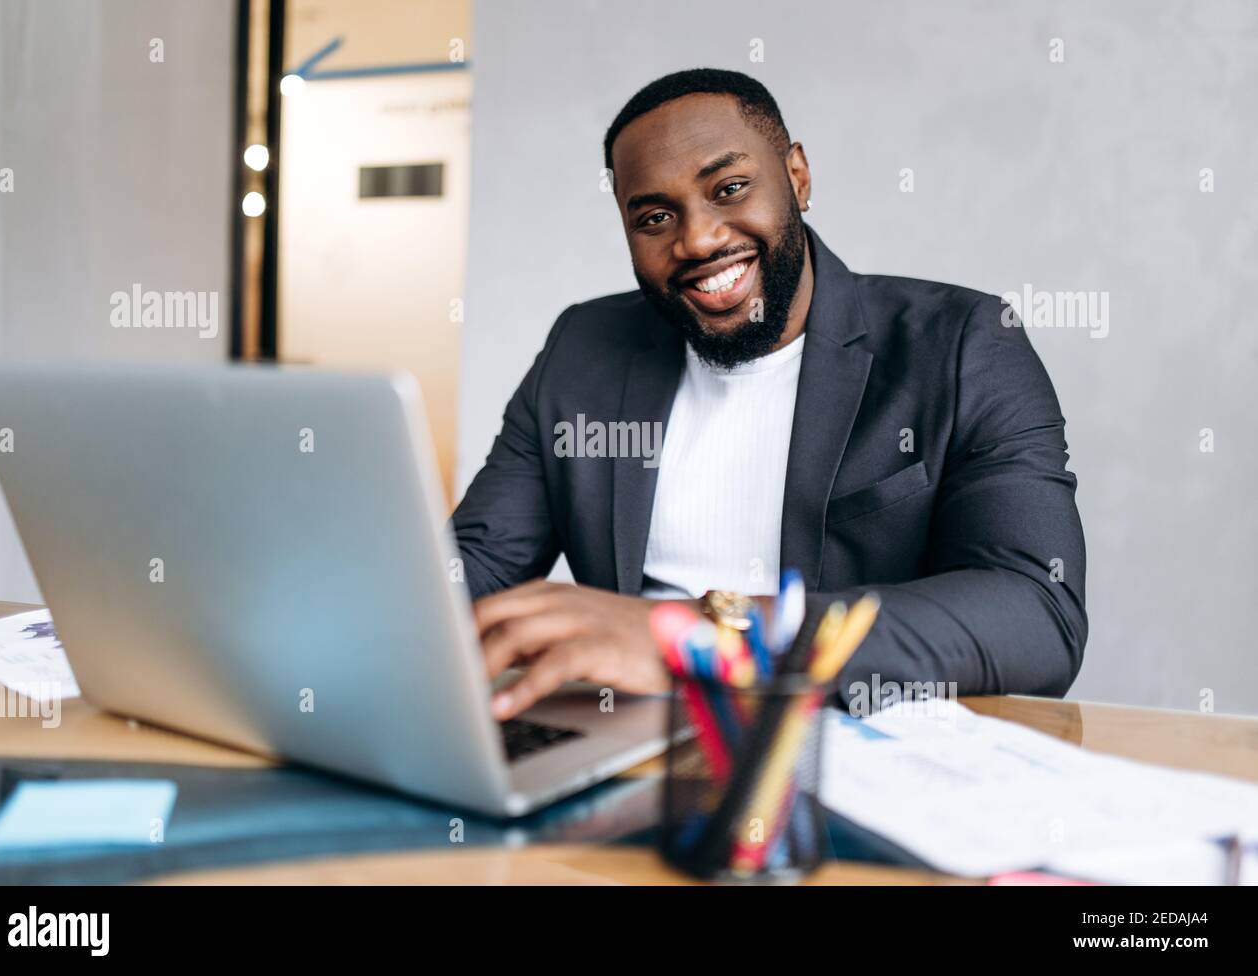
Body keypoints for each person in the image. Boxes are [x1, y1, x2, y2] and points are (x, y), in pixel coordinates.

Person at [452, 68, 1087, 721]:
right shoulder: (582, 347)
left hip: (844, 752)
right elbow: (476, 565)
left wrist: (703, 639)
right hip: (629, 746)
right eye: (654, 216)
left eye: (729, 188)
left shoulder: (963, 344)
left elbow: (1037, 613)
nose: (697, 238)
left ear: (798, 177)